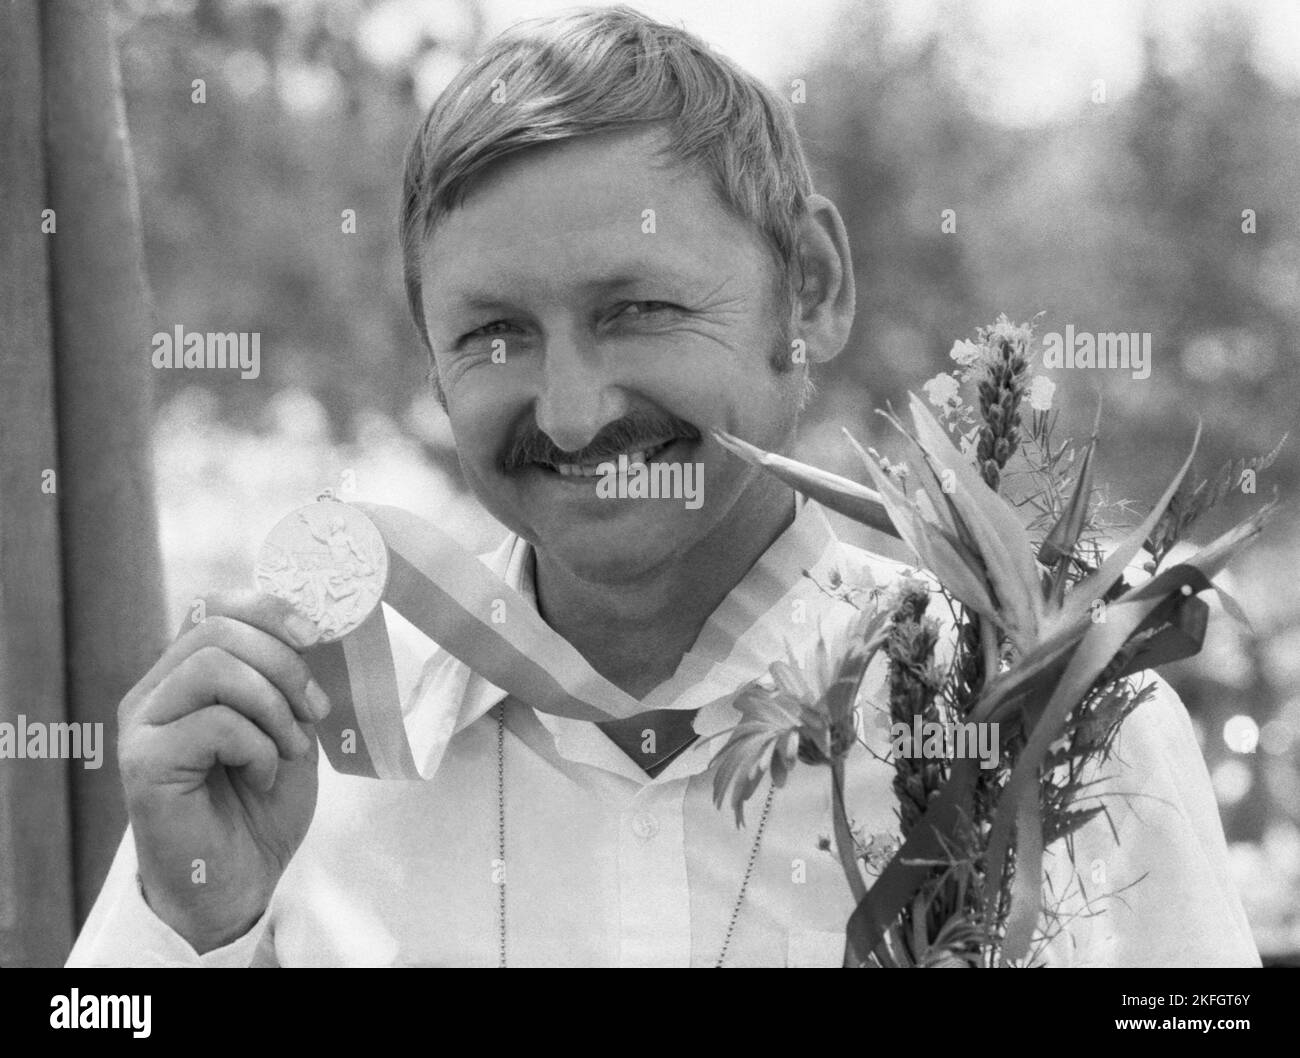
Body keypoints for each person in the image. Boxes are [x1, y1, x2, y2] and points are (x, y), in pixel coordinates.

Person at [67, 6, 1258, 968]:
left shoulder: (1055, 717)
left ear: (812, 289)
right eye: (494, 333)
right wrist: (194, 925)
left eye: (636, 310)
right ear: (426, 351)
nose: (574, 412)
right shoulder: (301, 743)